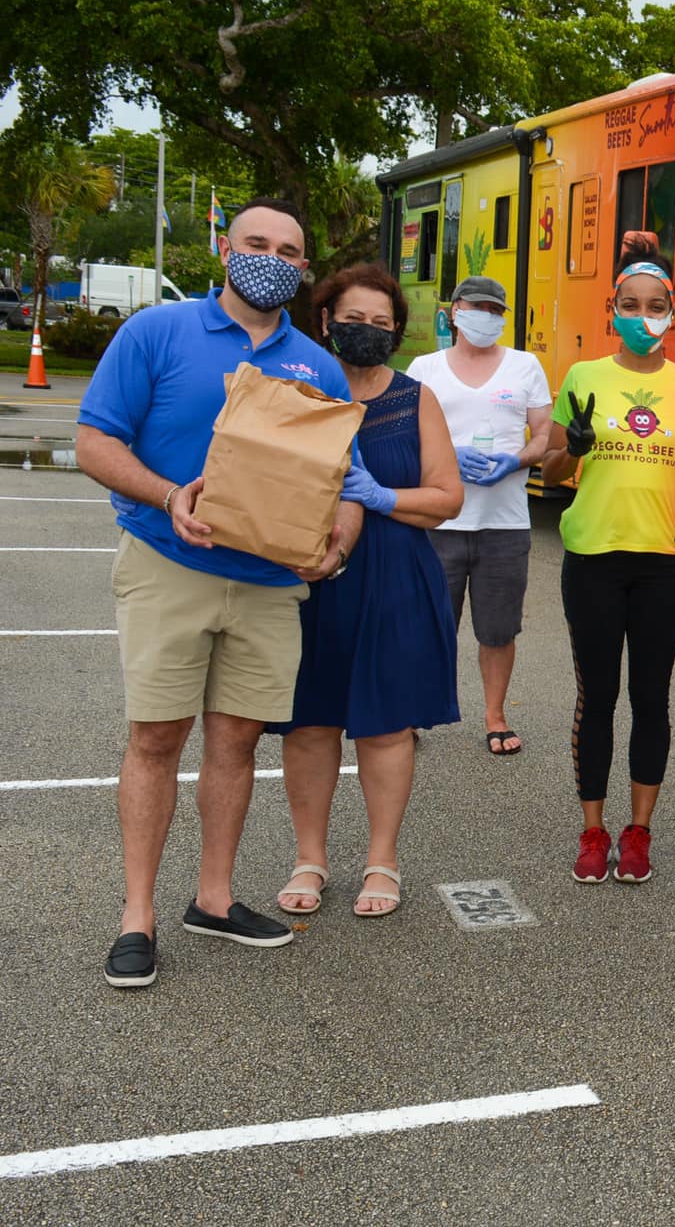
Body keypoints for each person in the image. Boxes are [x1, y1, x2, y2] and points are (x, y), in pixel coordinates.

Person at [75, 198, 361, 986]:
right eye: (256, 243)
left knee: (235, 743)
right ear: (225, 251)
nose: (273, 258)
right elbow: (94, 440)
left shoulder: (318, 366)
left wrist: (335, 547)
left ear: (303, 270)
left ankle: (214, 897)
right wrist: (169, 495)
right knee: (156, 740)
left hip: (269, 587)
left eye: (289, 251)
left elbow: (348, 482)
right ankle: (137, 918)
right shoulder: (156, 332)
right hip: (169, 566)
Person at [539, 246, 675, 885]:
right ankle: (593, 830)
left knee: (650, 696)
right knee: (596, 696)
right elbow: (552, 471)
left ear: (672, 315)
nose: (642, 316)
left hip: (664, 563)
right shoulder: (582, 376)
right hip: (592, 559)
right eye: (630, 305)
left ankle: (638, 831)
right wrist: (573, 450)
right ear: (612, 310)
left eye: (655, 307)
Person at [272, 264, 463, 919]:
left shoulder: (415, 399)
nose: (368, 331)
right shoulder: (298, 391)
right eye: (355, 319)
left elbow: (447, 497)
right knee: (309, 722)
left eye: (382, 323)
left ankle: (383, 859)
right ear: (326, 320)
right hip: (310, 575)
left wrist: (382, 498)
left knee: (386, 726)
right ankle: (309, 857)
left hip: (395, 576)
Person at [409, 275, 554, 757]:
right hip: (439, 521)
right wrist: (447, 455)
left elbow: (543, 435)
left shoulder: (524, 366)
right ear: (454, 311)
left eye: (495, 311)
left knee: (498, 629)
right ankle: (412, 713)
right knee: (429, 625)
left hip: (504, 524)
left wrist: (516, 460)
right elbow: (405, 436)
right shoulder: (425, 369)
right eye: (477, 307)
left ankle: (495, 717)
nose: (486, 317)